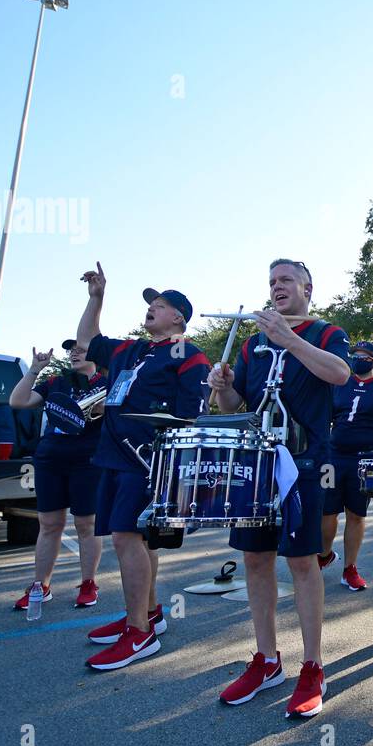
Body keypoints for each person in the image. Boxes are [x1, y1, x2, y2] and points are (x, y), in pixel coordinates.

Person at [210, 259, 351, 716]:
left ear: (308, 287)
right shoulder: (252, 344)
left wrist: (288, 339)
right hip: (257, 464)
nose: (276, 288)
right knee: (254, 558)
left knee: (302, 562)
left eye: (285, 280)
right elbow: (239, 403)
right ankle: (267, 659)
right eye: (271, 282)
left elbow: (340, 375)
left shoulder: (326, 333)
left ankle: (313, 666)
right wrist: (223, 388)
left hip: (304, 462)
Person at [73, 265, 211, 670]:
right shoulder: (130, 348)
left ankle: (139, 634)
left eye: (161, 305)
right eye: (151, 303)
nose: (152, 308)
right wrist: (96, 297)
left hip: (147, 459)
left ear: (178, 318)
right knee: (141, 540)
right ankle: (148, 613)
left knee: (126, 538)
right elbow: (86, 341)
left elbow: (191, 417)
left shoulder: (189, 355)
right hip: (111, 454)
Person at [8, 339, 106, 610]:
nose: (74, 353)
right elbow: (18, 401)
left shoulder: (106, 385)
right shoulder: (56, 382)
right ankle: (41, 585)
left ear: (96, 355)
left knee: (86, 525)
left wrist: (102, 408)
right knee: (49, 525)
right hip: (51, 459)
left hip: (87, 461)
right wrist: (34, 370)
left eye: (81, 349)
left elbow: (120, 417)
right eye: (71, 349)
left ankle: (88, 583)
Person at [321, 341, 373, 591]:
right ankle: (324, 554)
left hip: (365, 460)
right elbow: (325, 418)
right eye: (355, 355)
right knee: (326, 510)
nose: (359, 359)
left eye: (364, 356)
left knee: (356, 513)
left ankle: (350, 568)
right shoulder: (338, 384)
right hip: (334, 457)